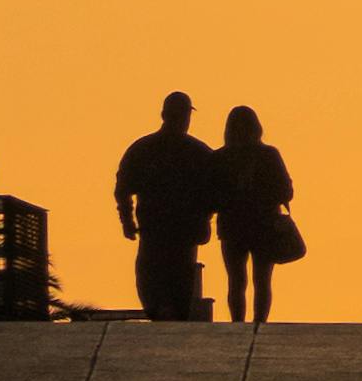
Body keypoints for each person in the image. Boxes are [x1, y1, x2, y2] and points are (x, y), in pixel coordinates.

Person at [113, 91, 220, 321]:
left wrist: (128, 221)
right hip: (173, 231)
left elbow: (123, 188)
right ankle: (167, 320)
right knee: (170, 285)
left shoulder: (144, 148)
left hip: (164, 230)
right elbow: (217, 188)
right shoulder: (198, 152)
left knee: (157, 283)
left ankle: (164, 319)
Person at [210, 102, 298, 325]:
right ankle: (260, 323)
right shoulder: (269, 154)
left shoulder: (219, 158)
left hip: (232, 226)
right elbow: (286, 190)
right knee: (262, 280)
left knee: (236, 280)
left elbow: (209, 194)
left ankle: (237, 323)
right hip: (264, 224)